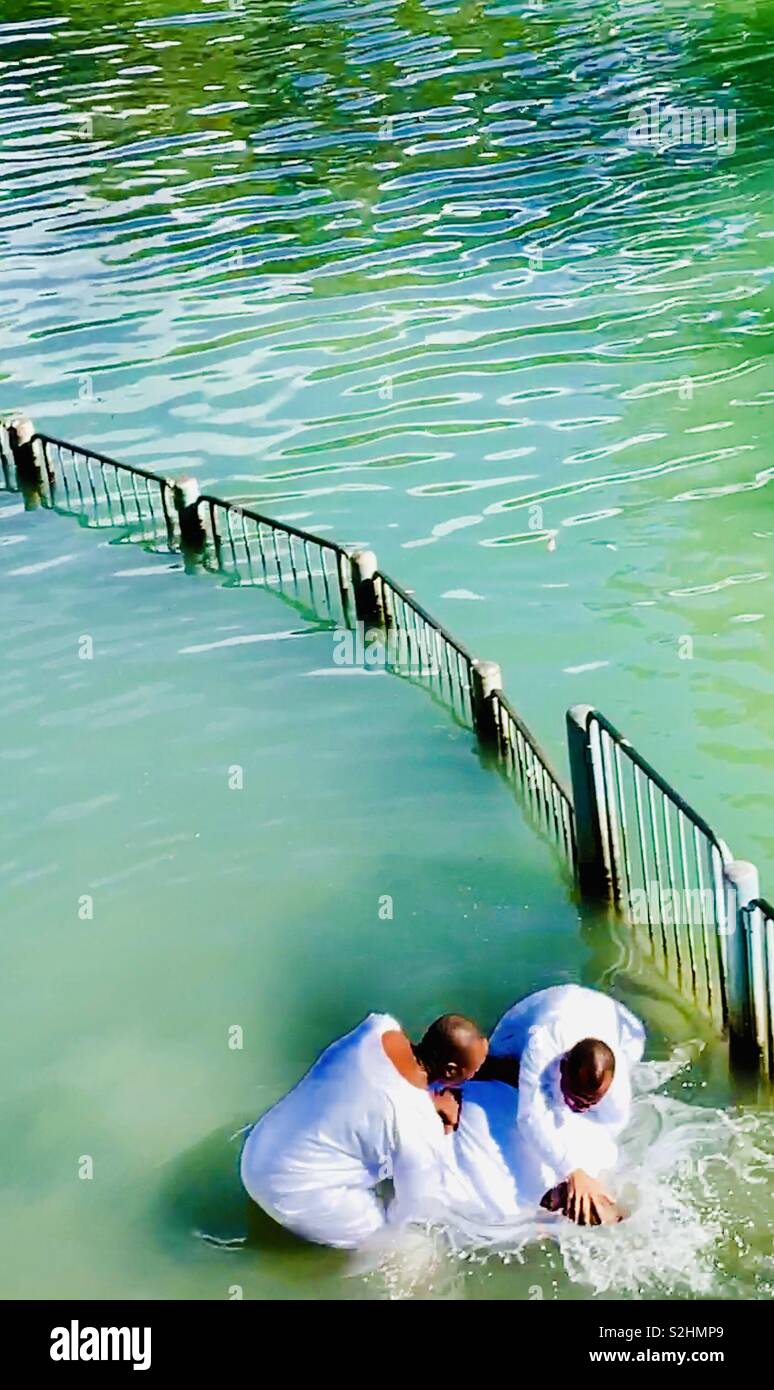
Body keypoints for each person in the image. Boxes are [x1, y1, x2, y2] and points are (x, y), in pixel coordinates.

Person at [240, 1012, 488, 1248]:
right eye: (473, 1071)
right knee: (401, 1242)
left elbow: (383, 1089)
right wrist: (439, 1127)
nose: (475, 1076)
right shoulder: (419, 1127)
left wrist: (425, 1101)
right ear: (451, 1071)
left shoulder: (378, 1028)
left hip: (256, 1150)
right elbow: (413, 1210)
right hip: (288, 1192)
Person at [488, 985, 645, 1226]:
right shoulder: (542, 1044)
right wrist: (571, 1171)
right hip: (538, 1012)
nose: (579, 1107)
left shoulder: (618, 1087)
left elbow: (607, 1130)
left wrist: (585, 1174)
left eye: (589, 1103)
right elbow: (529, 1118)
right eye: (574, 1097)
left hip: (605, 1012)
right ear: (561, 1067)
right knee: (497, 1072)